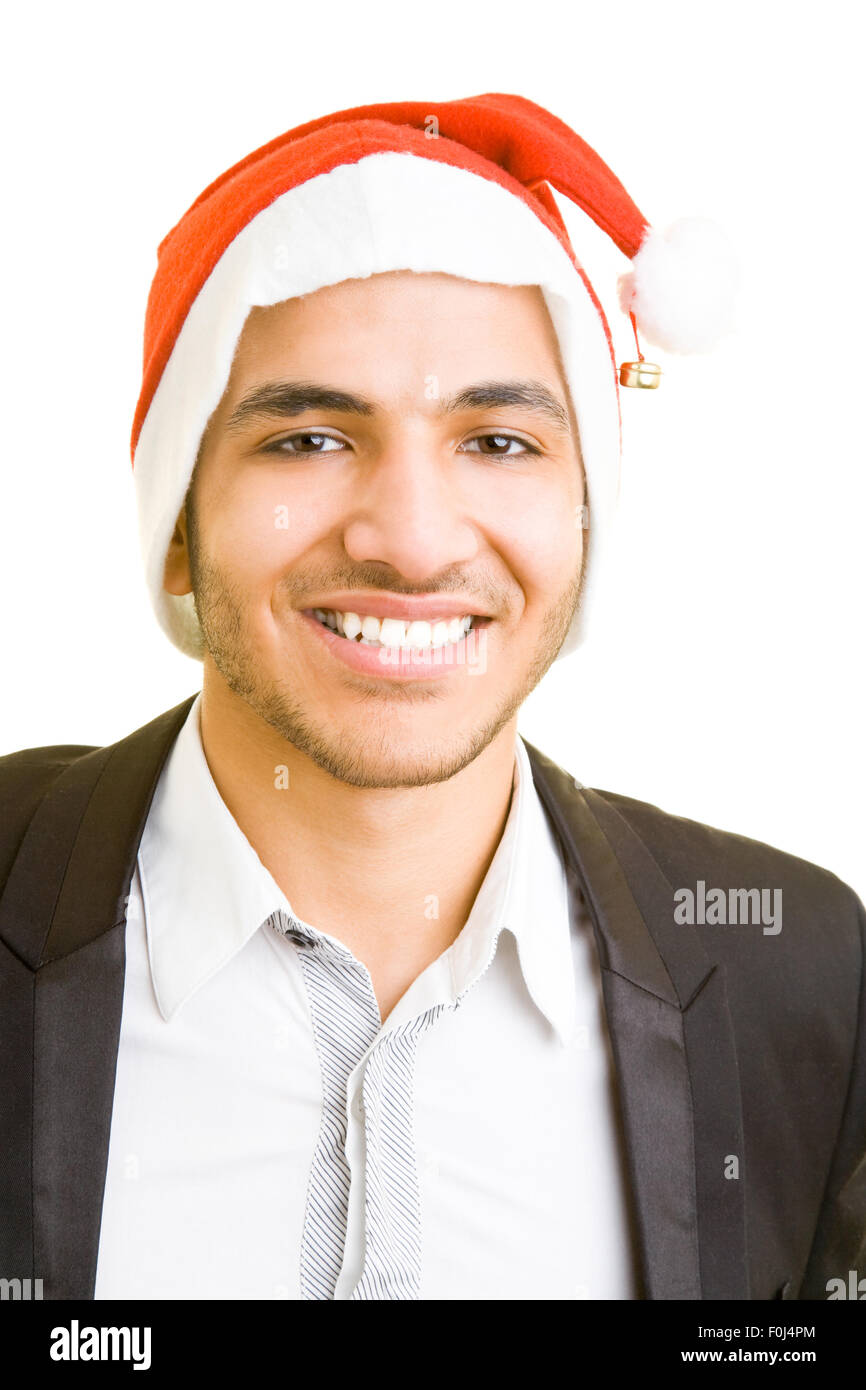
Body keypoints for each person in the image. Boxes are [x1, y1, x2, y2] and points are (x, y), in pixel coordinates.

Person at [0, 94, 863, 1302]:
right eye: (306, 437)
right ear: (179, 528)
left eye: (497, 441)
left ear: (583, 515)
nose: (409, 543)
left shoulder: (799, 976)